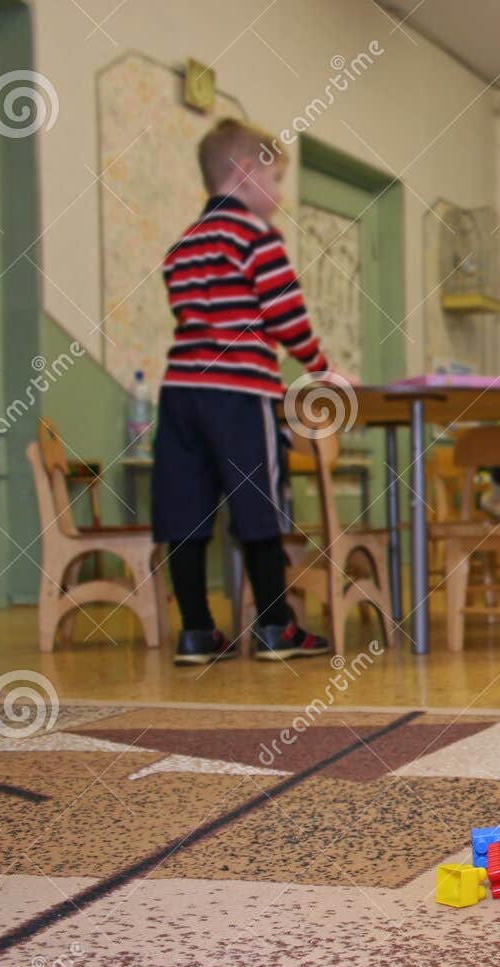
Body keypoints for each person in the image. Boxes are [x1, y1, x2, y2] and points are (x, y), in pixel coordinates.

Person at [152, 118, 341, 665]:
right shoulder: (257, 238)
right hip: (240, 392)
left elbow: (189, 312)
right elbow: (285, 315)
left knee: (183, 510)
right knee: (260, 507)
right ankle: (276, 628)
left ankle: (195, 632)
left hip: (181, 391)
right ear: (243, 172)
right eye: (276, 178)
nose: (280, 194)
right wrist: (320, 367)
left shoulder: (181, 246)